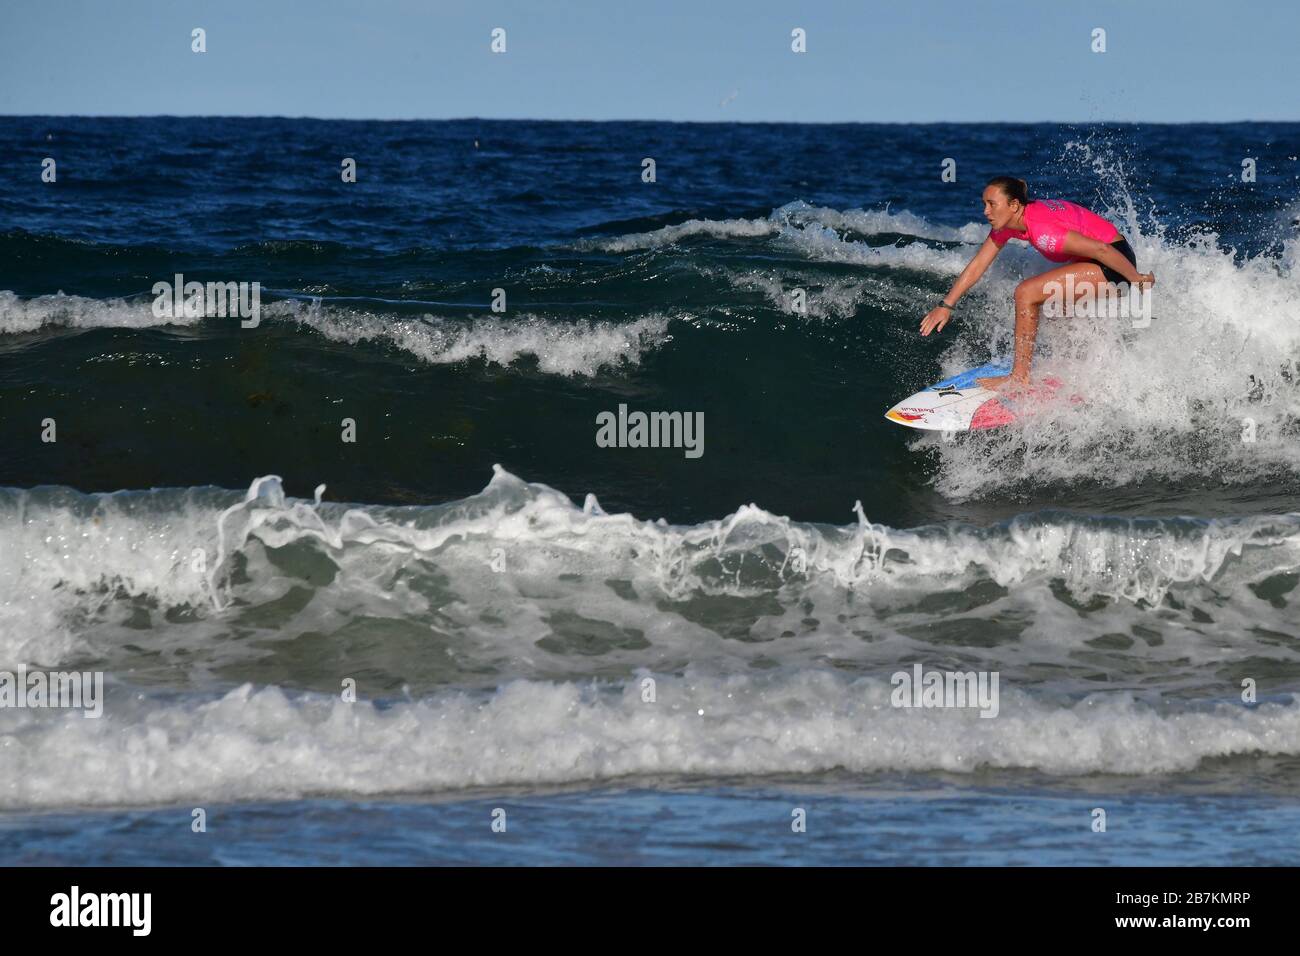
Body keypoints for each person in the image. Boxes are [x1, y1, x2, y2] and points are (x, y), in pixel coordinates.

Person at [919, 176, 1156, 391]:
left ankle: (1019, 378)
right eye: (984, 204)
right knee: (1054, 306)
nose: (985, 211)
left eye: (992, 204)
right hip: (1098, 258)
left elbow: (1101, 248)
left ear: (1014, 205)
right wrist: (946, 305)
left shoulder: (1043, 230)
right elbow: (979, 264)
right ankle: (1077, 364)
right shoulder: (1009, 224)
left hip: (1115, 263)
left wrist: (1137, 279)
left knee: (1026, 293)